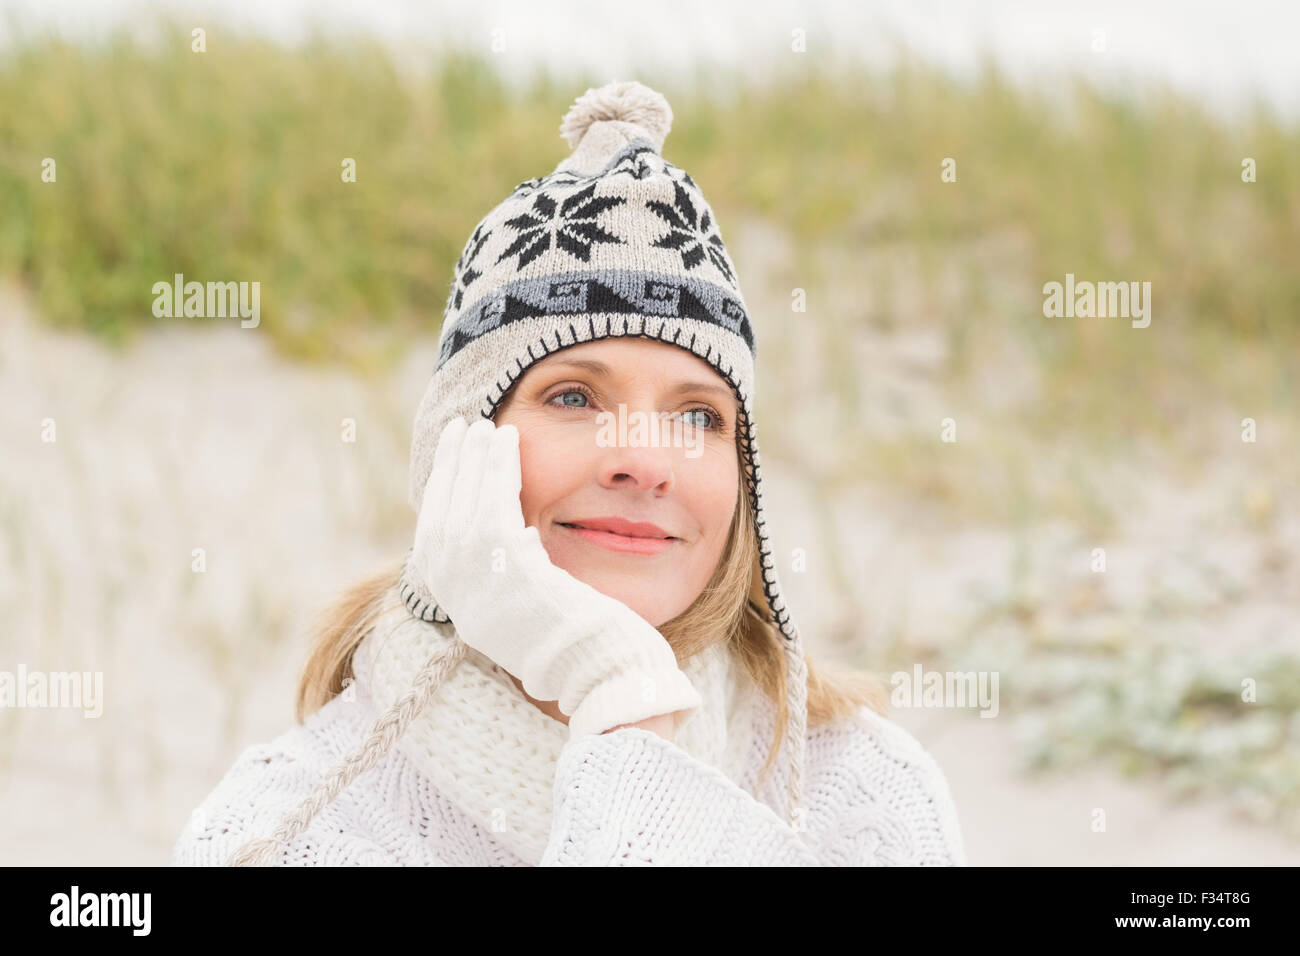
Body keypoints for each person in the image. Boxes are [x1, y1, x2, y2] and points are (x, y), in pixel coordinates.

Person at [170, 79, 967, 866]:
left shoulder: (862, 794)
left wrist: (628, 720)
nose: (645, 462)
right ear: (460, 449)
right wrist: (621, 699)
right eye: (576, 396)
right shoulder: (288, 832)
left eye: (698, 416)